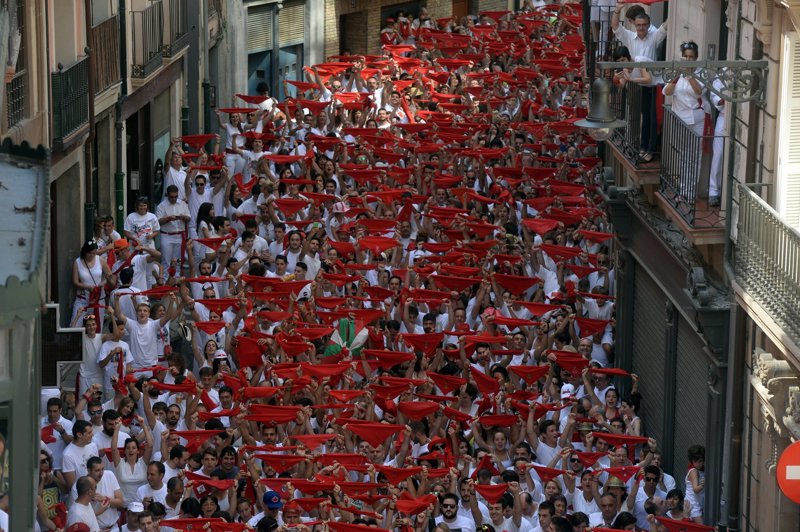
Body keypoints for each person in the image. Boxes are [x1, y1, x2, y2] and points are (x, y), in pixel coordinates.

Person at [71, 240, 112, 325]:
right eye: (90, 253)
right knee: (75, 325)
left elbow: (109, 275)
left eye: (94, 253)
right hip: (83, 298)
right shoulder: (77, 262)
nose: (92, 255)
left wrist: (103, 283)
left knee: (96, 326)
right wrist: (87, 287)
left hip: (98, 298)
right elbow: (75, 281)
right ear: (85, 251)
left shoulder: (100, 260)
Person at [156, 184, 191, 270]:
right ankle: (165, 279)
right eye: (172, 197)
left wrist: (183, 217)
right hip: (167, 235)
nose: (174, 199)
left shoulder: (182, 204)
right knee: (166, 260)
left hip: (180, 235)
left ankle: (177, 279)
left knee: (178, 260)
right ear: (167, 195)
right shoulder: (161, 206)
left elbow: (189, 218)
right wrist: (168, 218)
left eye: (176, 196)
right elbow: (158, 222)